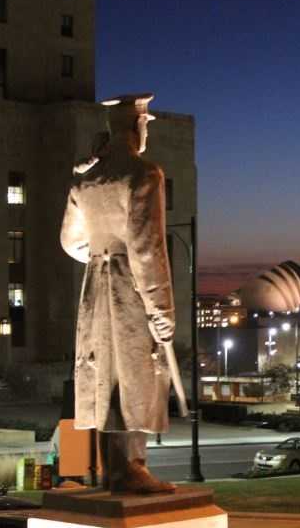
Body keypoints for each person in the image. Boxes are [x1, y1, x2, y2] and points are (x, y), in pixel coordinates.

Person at [60, 93, 175, 494]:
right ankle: (131, 468)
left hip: (95, 285)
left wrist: (98, 254)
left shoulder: (86, 180)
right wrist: (161, 309)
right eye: (145, 124)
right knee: (135, 372)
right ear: (137, 127)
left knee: (104, 373)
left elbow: (70, 242)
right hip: (129, 286)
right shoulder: (145, 174)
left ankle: (117, 469)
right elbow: (147, 248)